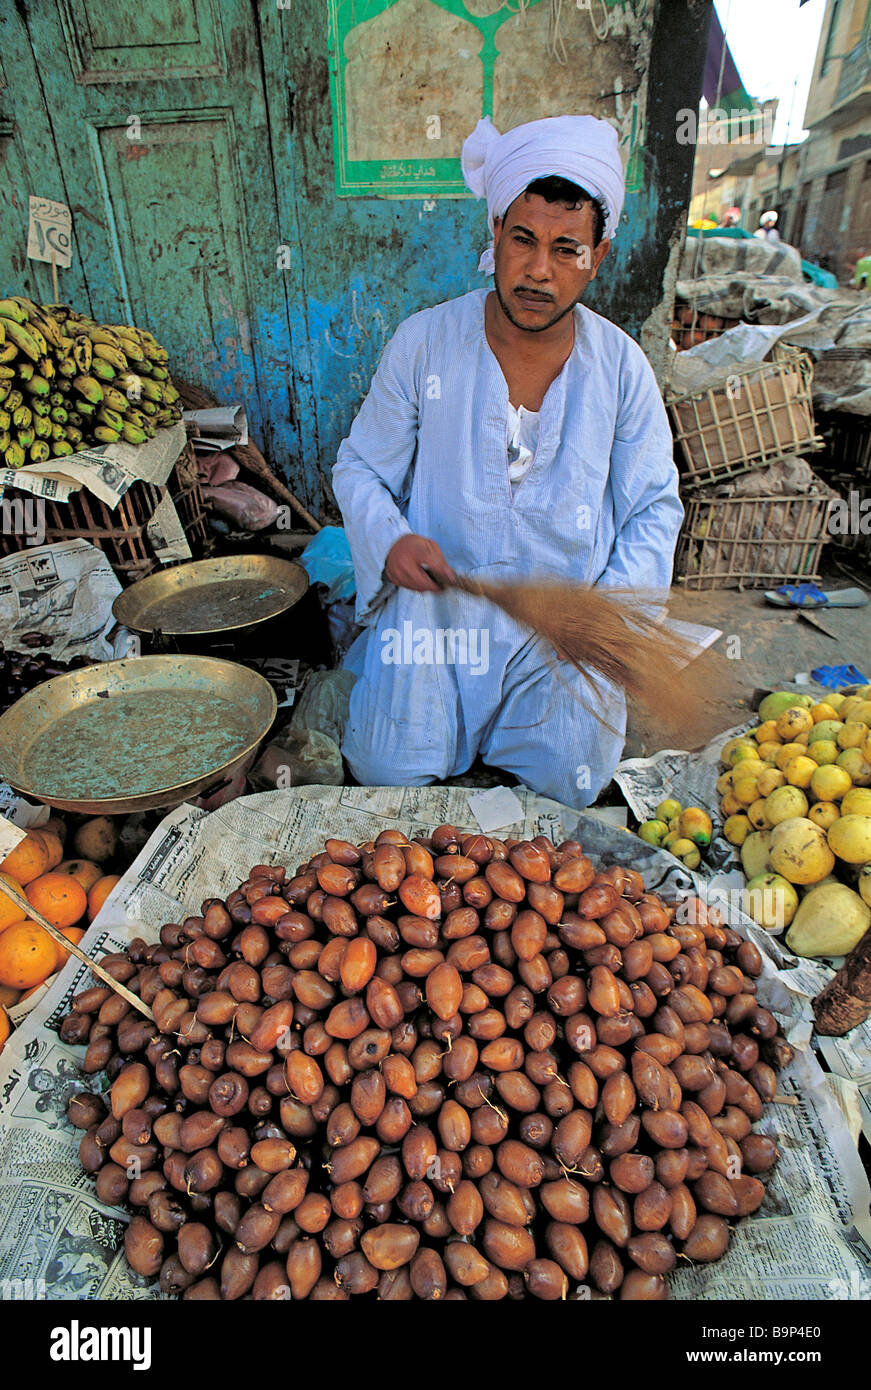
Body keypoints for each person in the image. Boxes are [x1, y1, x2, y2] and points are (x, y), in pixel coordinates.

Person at [332, 115, 683, 810]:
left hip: (559, 629)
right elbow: (359, 467)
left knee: (571, 780)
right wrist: (391, 539)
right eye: (521, 240)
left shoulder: (620, 368)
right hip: (440, 611)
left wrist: (603, 616)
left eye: (566, 249)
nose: (538, 271)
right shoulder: (425, 342)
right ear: (493, 233)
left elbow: (652, 508)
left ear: (598, 257)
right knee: (383, 771)